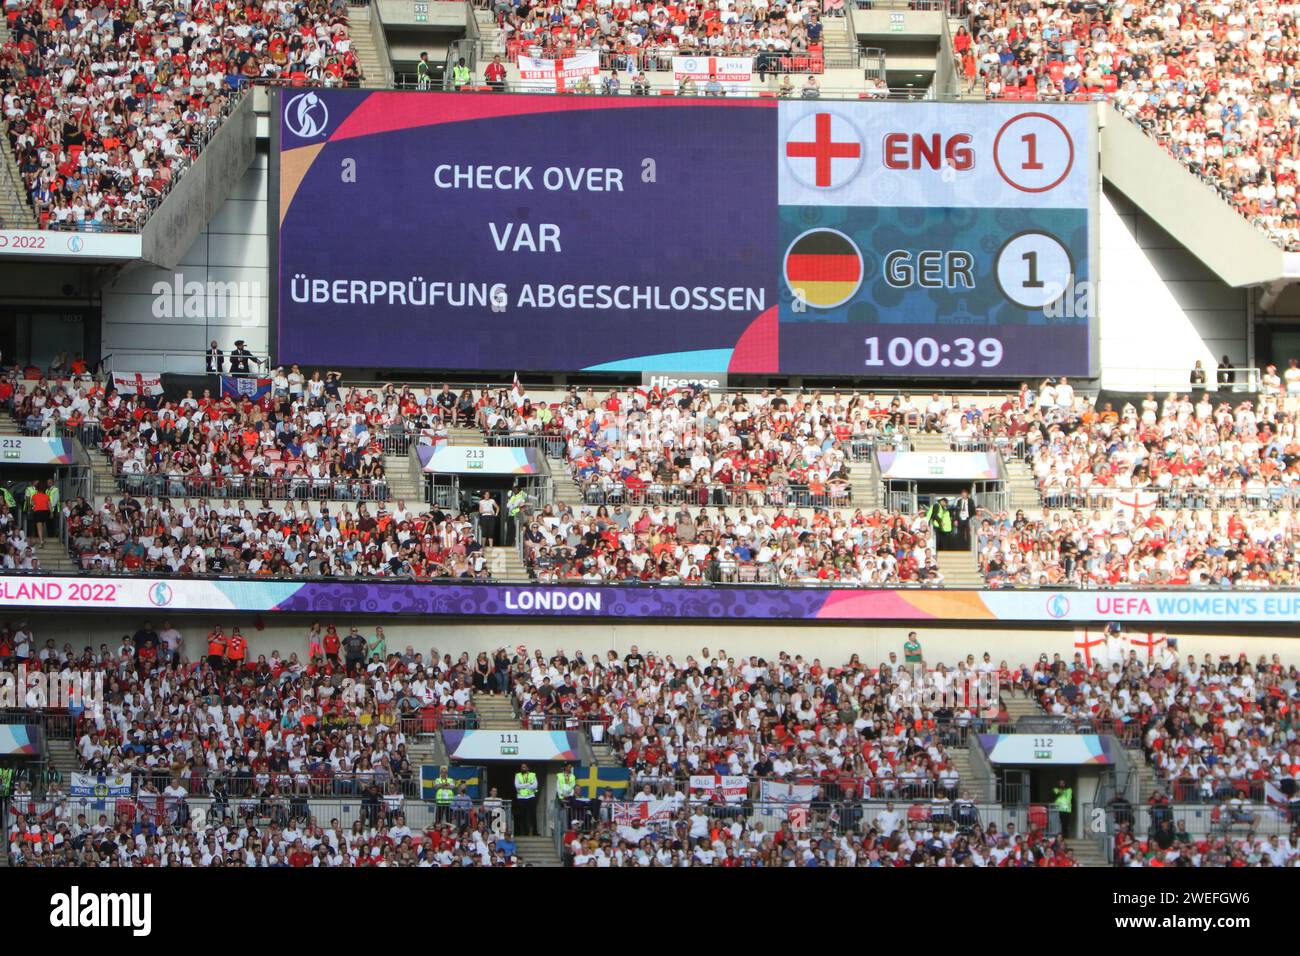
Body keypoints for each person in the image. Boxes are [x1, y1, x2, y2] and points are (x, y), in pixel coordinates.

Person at [514, 762, 538, 836]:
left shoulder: (533, 775)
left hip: (531, 796)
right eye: (522, 767)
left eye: (524, 767)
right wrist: (527, 784)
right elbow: (517, 786)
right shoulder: (517, 775)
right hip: (521, 797)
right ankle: (524, 832)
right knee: (522, 816)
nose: (522, 768)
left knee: (532, 815)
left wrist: (523, 786)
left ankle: (535, 832)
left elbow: (535, 786)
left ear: (527, 768)